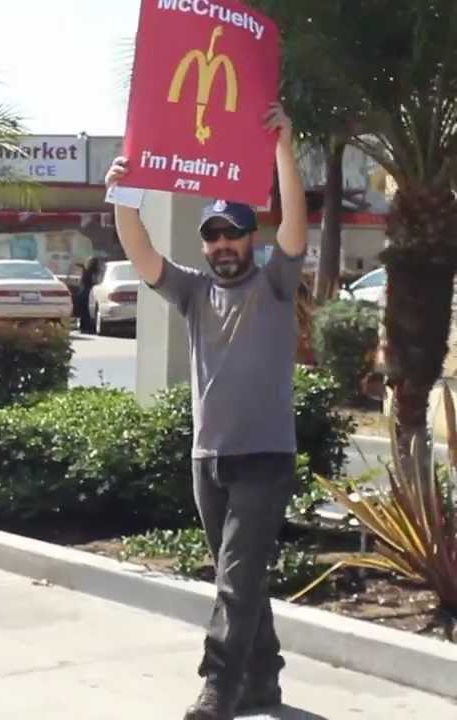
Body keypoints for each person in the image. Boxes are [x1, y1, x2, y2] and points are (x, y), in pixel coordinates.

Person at [105, 102, 306, 720]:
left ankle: (219, 685)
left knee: (236, 575)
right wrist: (124, 194)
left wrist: (283, 148)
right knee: (239, 578)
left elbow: (296, 223)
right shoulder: (192, 291)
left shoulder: (274, 282)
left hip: (264, 456)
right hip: (208, 458)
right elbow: (141, 254)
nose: (222, 244)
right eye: (213, 235)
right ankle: (265, 681)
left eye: (233, 233)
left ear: (251, 238)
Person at [77, 256, 103, 334]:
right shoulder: (94, 272)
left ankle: (84, 327)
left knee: (84, 310)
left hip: (85, 292)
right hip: (89, 292)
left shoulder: (88, 271)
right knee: (86, 311)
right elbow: (95, 281)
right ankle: (87, 327)